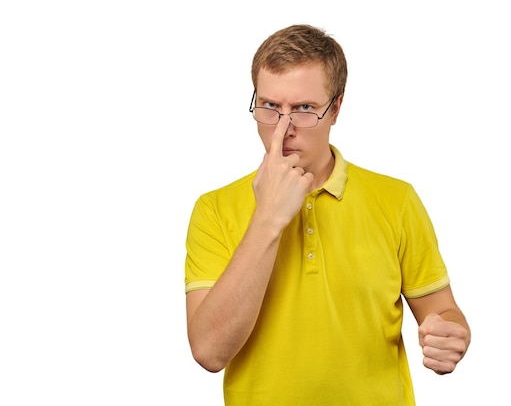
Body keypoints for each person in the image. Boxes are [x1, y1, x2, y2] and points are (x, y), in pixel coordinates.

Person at [184, 24, 471, 406]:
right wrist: (268, 218)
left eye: (304, 109)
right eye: (270, 107)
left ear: (335, 108)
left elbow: (443, 311)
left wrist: (450, 334)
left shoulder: (397, 200)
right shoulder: (214, 210)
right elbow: (209, 352)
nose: (282, 130)